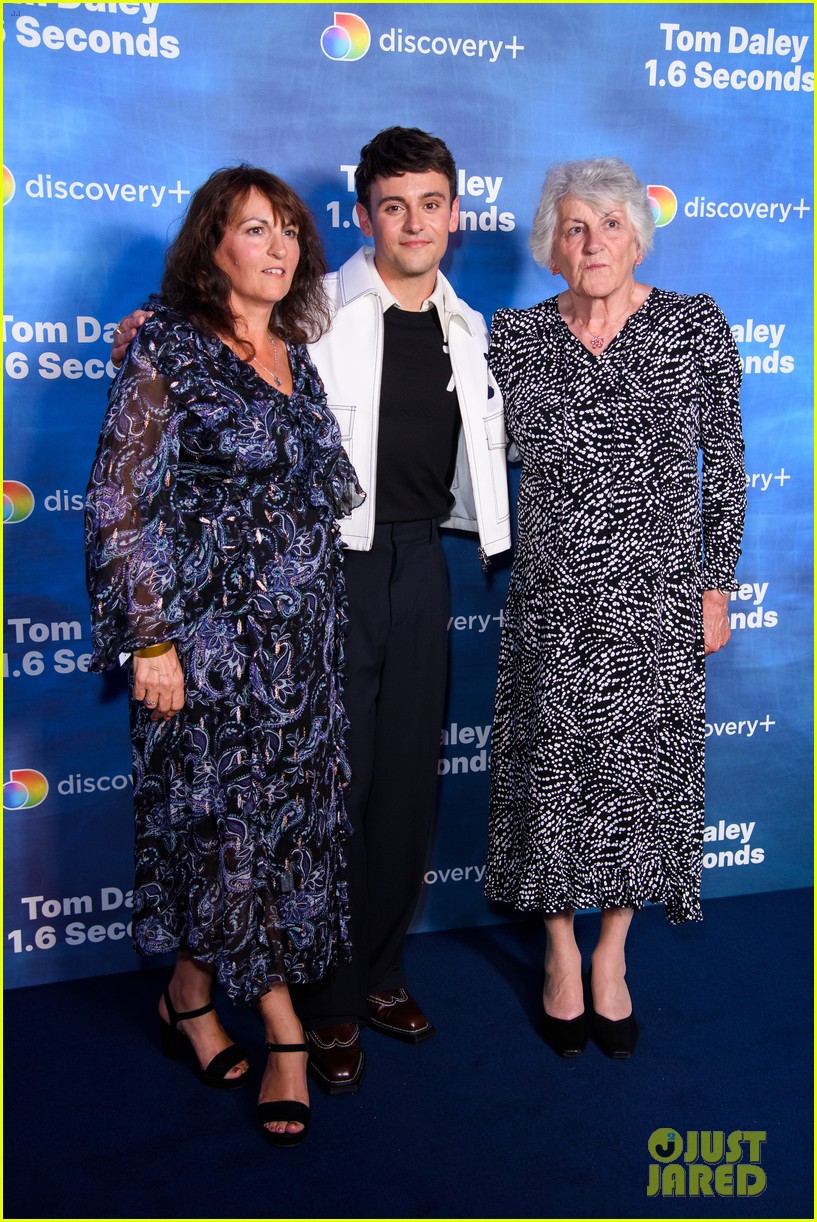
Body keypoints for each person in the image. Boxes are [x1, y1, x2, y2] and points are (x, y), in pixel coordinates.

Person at [112, 128, 511, 1094]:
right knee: (331, 789)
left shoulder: (472, 326)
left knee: (405, 784)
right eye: (392, 206)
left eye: (430, 205)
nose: (412, 223)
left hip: (422, 563)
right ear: (364, 217)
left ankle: (378, 974)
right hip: (323, 574)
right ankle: (321, 1003)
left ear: (454, 216)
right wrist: (147, 326)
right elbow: (199, 353)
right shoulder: (312, 307)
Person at [86, 165, 363, 1145]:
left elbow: (323, 492)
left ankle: (188, 997)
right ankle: (283, 1031)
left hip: (300, 658)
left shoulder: (295, 355)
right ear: (212, 247)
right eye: (254, 228)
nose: (278, 246)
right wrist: (149, 638)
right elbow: (120, 501)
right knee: (226, 836)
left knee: (275, 838)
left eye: (289, 230)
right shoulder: (166, 347)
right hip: (207, 654)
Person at [485, 157, 745, 1060]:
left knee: (640, 778)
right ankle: (559, 951)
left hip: (656, 597)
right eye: (574, 227)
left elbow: (727, 463)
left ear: (638, 236)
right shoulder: (512, 339)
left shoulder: (693, 325)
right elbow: (415, 404)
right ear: (551, 247)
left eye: (609, 224)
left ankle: (611, 954)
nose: (592, 242)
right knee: (553, 776)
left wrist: (715, 582)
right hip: (553, 599)